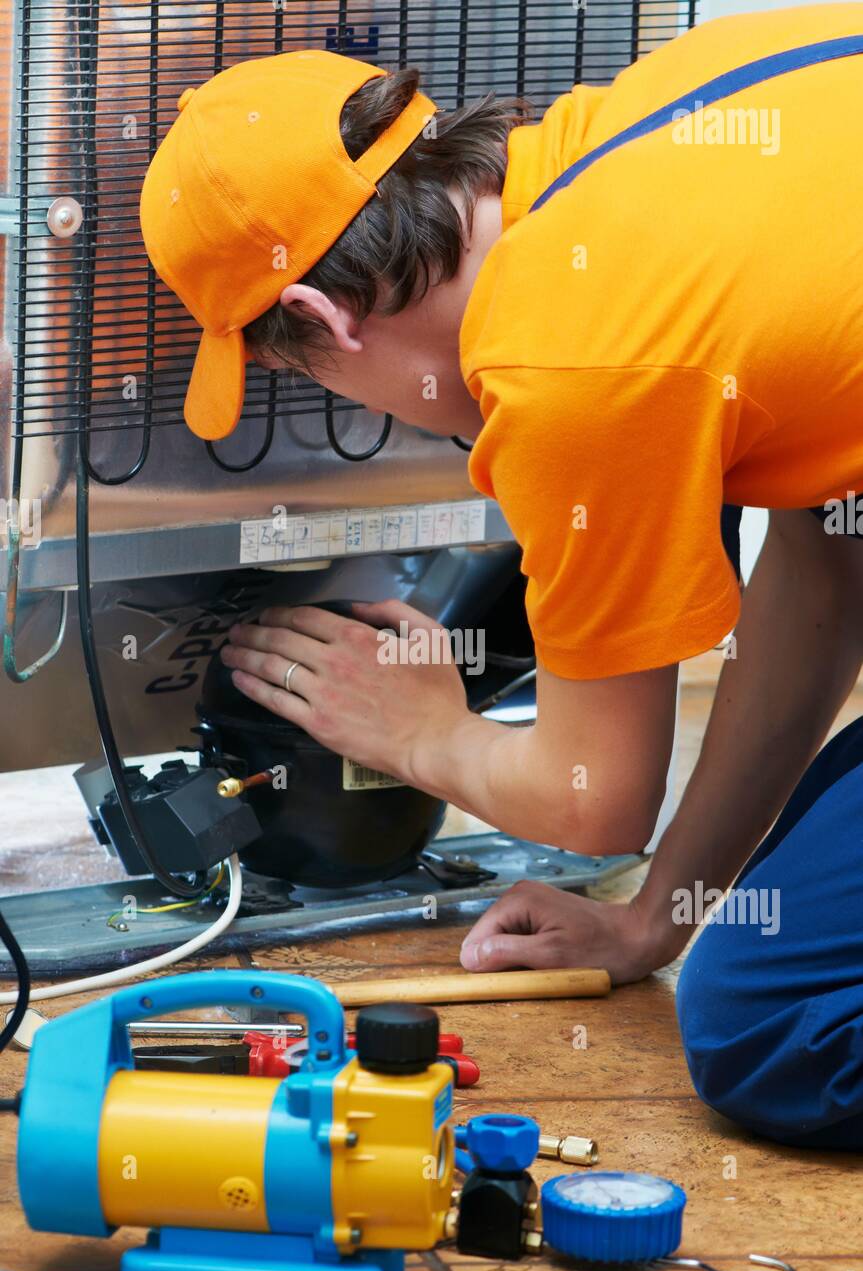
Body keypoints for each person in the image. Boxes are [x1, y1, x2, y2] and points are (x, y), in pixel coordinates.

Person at [140, 5, 863, 1146]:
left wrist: (423, 733)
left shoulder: (565, 365)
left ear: (318, 312)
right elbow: (831, 568)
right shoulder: (639, 121)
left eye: (314, 376)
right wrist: (656, 916)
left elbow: (595, 798)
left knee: (772, 1020)